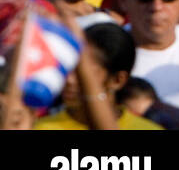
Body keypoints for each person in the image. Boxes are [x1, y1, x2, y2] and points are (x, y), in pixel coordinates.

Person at [34, 23, 163, 131]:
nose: (69, 80)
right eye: (70, 66)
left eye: (84, 72)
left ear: (117, 80)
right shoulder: (39, 127)